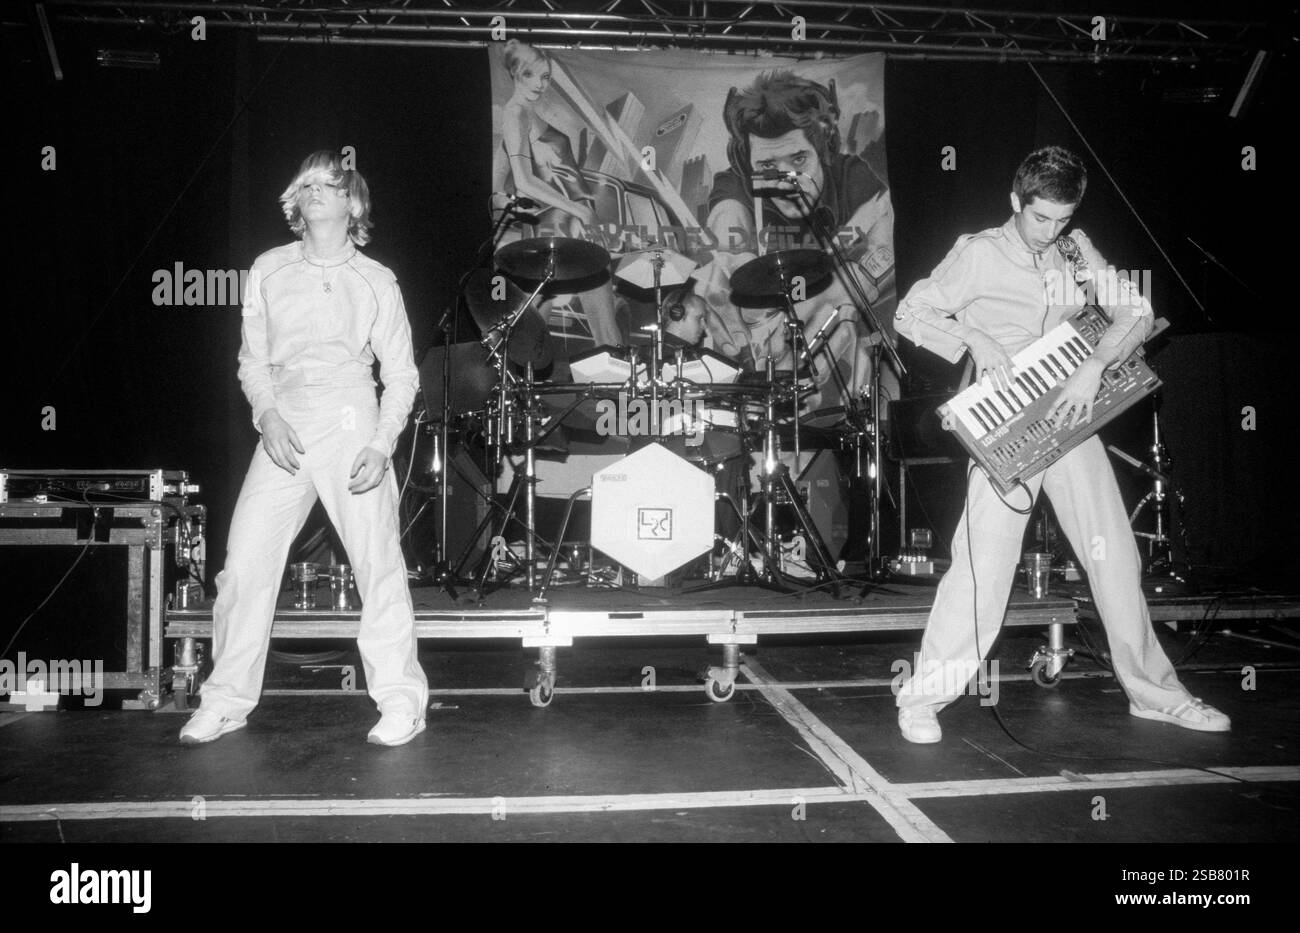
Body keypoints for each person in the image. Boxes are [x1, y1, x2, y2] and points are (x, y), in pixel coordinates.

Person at [892, 145, 1230, 743]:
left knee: (1115, 559)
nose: (1051, 233)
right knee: (983, 567)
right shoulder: (978, 253)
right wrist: (972, 334)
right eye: (1040, 218)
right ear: (1015, 201)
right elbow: (911, 311)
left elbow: (1135, 308)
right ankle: (922, 698)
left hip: (1073, 417)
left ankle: (1156, 695)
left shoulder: (1074, 248)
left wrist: (1095, 364)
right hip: (1007, 424)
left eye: (1062, 220)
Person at [180, 151, 429, 747]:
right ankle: (226, 700)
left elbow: (402, 375)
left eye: (329, 184)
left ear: (353, 204)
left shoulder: (378, 280)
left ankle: (402, 703)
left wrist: (379, 441)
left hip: (351, 417)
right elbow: (252, 360)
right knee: (243, 562)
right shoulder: (267, 268)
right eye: (307, 184)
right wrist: (265, 415)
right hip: (285, 422)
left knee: (378, 564)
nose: (315, 191)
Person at [491, 38, 622, 348]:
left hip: (568, 223)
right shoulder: (516, 114)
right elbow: (522, 181)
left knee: (532, 329)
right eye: (530, 75)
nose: (540, 84)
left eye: (545, 76)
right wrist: (577, 210)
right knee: (604, 330)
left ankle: (509, 382)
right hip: (562, 226)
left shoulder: (523, 114)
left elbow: (500, 180)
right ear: (514, 74)